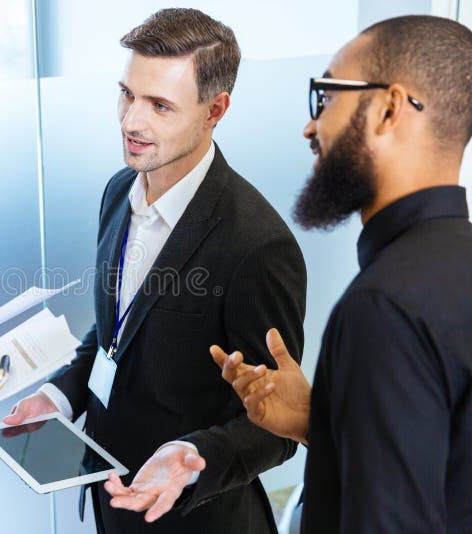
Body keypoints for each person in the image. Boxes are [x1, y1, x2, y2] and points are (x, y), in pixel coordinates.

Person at [114, 14, 472, 534]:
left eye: (325, 97)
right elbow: (444, 475)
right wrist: (313, 420)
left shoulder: (382, 305)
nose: (310, 125)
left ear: (390, 109)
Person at [4, 8, 307, 533]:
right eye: (126, 94)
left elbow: (277, 425)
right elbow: (116, 332)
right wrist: (59, 396)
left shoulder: (258, 245)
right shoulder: (119, 191)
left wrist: (191, 455)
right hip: (110, 503)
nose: (131, 122)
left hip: (197, 520)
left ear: (215, 110)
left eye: (160, 106)